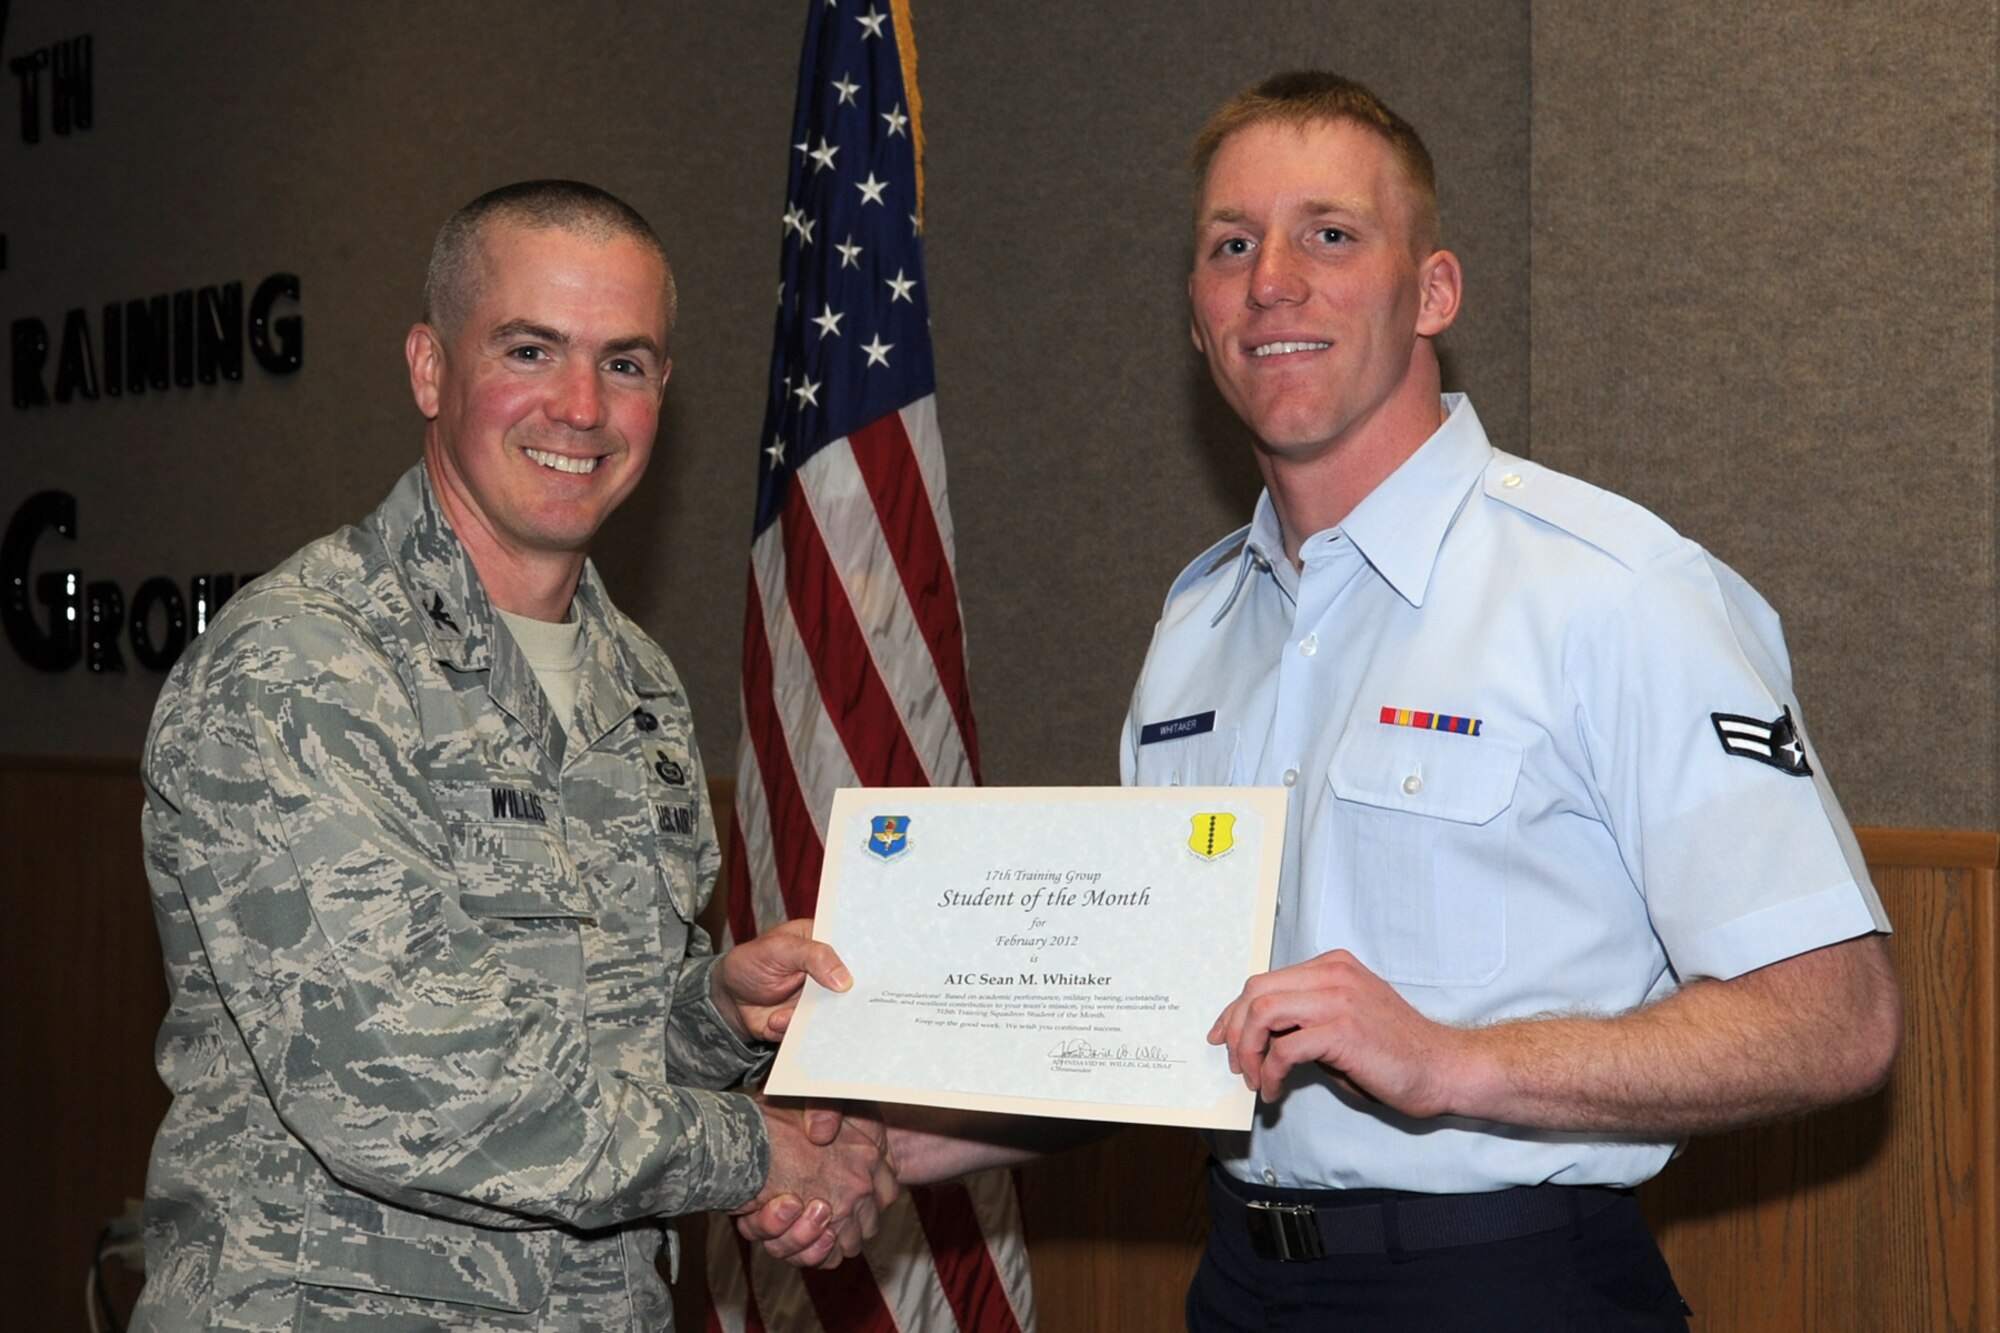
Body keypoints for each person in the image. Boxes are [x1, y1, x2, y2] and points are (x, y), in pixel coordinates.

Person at [799, 73, 1903, 1330]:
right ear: (1197, 315)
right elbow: (1150, 1031)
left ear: (1431, 289)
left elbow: (1835, 1018)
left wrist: (1451, 1061)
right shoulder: (1194, 631)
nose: (1272, 278)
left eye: (1329, 233)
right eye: (1230, 245)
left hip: (1506, 1284)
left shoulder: (1610, 591)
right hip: (1239, 1283)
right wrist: (884, 1135)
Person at [134, 180, 895, 1331]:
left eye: (625, 362)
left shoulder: (633, 680)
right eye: (531, 349)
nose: (581, 406)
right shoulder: (300, 667)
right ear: (431, 369)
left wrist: (712, 1016)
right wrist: (759, 1153)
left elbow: (592, 1039)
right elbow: (417, 1087)